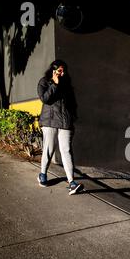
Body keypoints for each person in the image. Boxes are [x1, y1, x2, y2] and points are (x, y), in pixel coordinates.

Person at [37, 59, 84, 195]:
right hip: (50, 121)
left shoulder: (67, 85)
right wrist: (54, 84)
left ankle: (72, 183)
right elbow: (45, 99)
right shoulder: (44, 82)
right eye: (59, 71)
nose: (62, 74)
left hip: (65, 122)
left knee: (67, 150)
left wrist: (72, 118)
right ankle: (43, 174)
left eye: (64, 71)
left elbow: (73, 103)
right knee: (49, 148)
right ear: (53, 70)